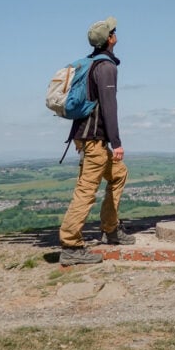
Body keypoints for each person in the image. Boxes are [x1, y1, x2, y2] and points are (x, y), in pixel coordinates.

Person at [58, 16, 134, 265]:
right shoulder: (106, 68)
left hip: (87, 137)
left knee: (119, 174)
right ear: (110, 39)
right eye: (114, 31)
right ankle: (70, 244)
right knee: (86, 191)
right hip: (94, 139)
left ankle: (110, 229)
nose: (116, 33)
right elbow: (109, 106)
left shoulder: (90, 64)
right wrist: (117, 142)